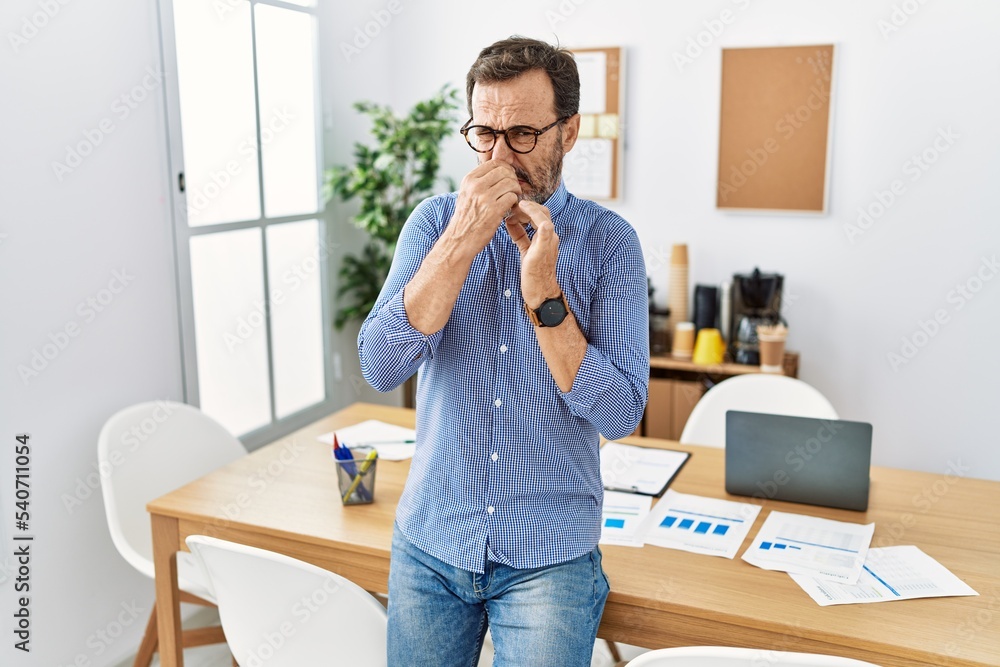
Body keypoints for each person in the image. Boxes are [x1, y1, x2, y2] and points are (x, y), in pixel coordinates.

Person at [358, 36, 649, 667]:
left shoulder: (610, 244)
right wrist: (462, 241)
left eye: (521, 134)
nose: (498, 156)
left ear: (567, 133)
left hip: (548, 555)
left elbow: (621, 413)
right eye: (483, 133)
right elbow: (380, 366)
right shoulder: (433, 224)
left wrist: (546, 298)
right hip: (432, 541)